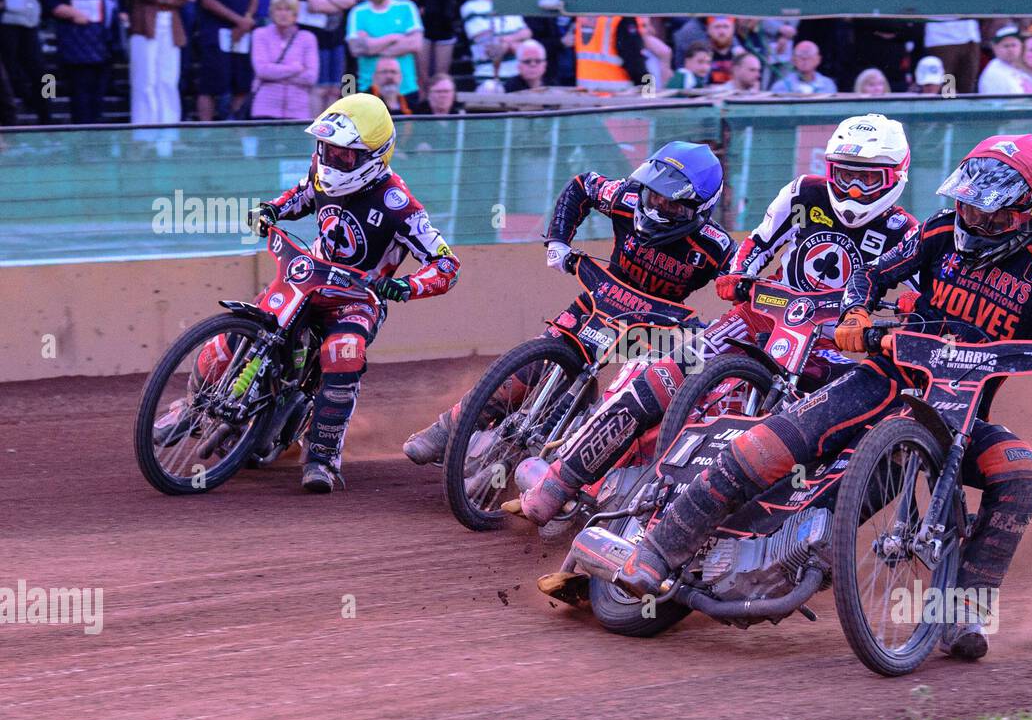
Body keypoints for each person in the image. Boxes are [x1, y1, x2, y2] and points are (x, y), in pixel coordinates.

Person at [613, 134, 1032, 663]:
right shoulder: (938, 232)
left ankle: (963, 610)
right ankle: (658, 548)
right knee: (776, 440)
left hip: (959, 416)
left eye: (990, 216)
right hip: (884, 378)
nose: (973, 221)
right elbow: (871, 272)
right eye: (967, 206)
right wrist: (856, 314)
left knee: (1022, 472)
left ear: (1029, 215)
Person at [516, 117, 919, 529]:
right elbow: (760, 243)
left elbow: (924, 297)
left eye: (867, 180)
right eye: (845, 174)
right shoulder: (803, 192)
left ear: (895, 178)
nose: (853, 190)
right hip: (765, 315)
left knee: (847, 427)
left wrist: (911, 305)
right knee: (663, 373)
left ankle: (789, 535)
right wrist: (739, 275)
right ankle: (558, 483)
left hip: (836, 344)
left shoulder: (905, 231)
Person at [403, 141, 731, 469]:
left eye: (670, 203)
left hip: (655, 327)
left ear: (699, 208)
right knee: (533, 364)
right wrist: (558, 240)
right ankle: (449, 426)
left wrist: (715, 328)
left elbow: (742, 284)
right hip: (601, 299)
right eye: (653, 194)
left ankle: (586, 470)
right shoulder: (625, 198)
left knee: (636, 398)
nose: (656, 206)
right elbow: (581, 186)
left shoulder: (717, 247)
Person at [243, 94, 461, 491]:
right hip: (310, 275)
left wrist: (407, 285)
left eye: (344, 155)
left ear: (374, 157)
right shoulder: (320, 171)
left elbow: (447, 264)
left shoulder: (400, 205)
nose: (331, 160)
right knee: (254, 318)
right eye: (326, 149)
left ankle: (323, 458)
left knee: (343, 353)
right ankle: (190, 406)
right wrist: (271, 210)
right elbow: (302, 196)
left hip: (358, 299)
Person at [45, 0, 117, 124]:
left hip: (102, 43)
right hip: (76, 44)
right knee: (81, 101)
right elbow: (51, 3)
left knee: (98, 102)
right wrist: (71, 12)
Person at [122, 0, 186, 126]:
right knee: (145, 81)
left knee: (168, 80)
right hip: (144, 26)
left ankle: (169, 131)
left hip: (170, 25)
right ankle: (144, 133)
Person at [346, 0, 421, 109]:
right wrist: (393, 38)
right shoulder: (357, 13)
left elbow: (416, 44)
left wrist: (371, 45)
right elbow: (355, 49)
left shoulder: (406, 7)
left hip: (405, 88)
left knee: (409, 132)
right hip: (369, 90)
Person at [298, 0, 356, 112]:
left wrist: (327, 0)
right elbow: (315, 4)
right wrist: (338, 2)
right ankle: (316, 133)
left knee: (335, 88)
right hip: (316, 39)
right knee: (319, 88)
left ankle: (330, 135)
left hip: (337, 36)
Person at [460, 0, 531, 89]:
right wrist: (517, 44)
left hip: (519, 77)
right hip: (489, 80)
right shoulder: (470, 8)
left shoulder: (511, 3)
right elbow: (490, 46)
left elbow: (527, 33)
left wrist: (506, 40)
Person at [250, 0, 318, 118]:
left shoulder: (308, 38)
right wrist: (296, 68)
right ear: (272, 12)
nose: (283, 14)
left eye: (288, 10)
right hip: (265, 108)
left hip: (298, 110)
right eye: (279, 9)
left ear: (295, 14)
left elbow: (310, 77)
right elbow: (262, 70)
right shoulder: (260, 34)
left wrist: (275, 73)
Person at [978, 24, 1032, 93]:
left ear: (1021, 46)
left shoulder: (1018, 68)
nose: (1010, 49)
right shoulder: (995, 73)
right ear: (995, 48)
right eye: (1006, 46)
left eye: (1014, 45)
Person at [769, 40, 836, 93]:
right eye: (801, 55)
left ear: (818, 59)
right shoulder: (781, 87)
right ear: (793, 60)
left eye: (809, 55)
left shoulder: (828, 85)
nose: (805, 59)